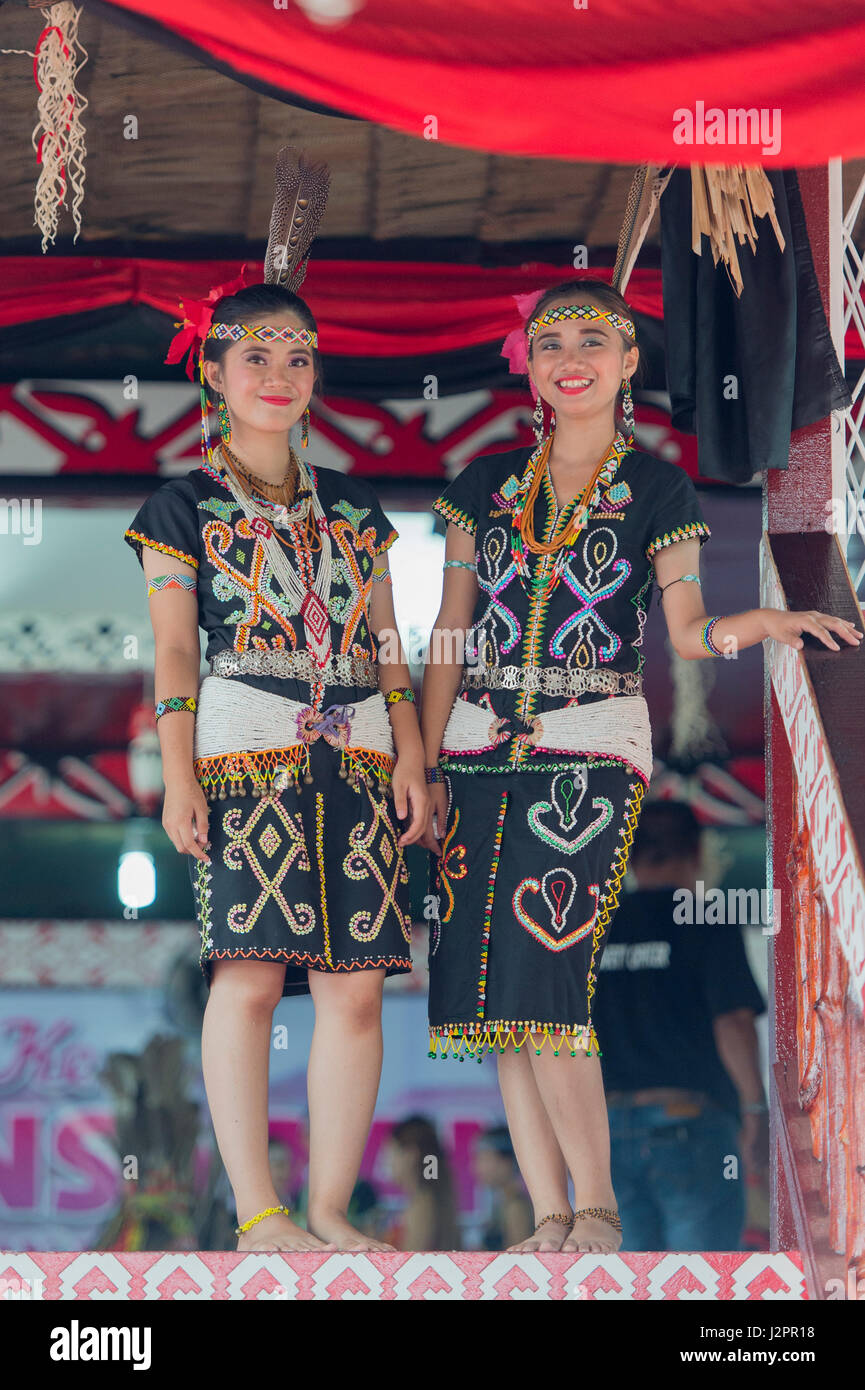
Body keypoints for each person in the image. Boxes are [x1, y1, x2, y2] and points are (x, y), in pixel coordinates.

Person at [419, 276, 862, 1256]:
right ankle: (546, 1213)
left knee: (551, 975)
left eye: (591, 337)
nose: (567, 355)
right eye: (547, 341)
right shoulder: (478, 485)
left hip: (586, 752)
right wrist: (420, 760)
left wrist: (775, 621)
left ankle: (601, 1205)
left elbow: (691, 633)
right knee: (497, 1000)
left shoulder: (655, 487)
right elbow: (448, 635)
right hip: (474, 753)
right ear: (528, 367)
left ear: (628, 362)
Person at [123, 150, 428, 1253]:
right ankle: (259, 1213)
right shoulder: (179, 506)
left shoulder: (356, 505)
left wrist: (411, 755)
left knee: (357, 990)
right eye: (256, 352)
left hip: (357, 747)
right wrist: (174, 770)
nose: (280, 370)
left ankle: (333, 1210)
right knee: (249, 976)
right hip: (244, 740)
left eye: (298, 353)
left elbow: (390, 642)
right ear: (213, 370)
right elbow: (168, 649)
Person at [592, 800, 767, 1251]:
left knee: (628, 1283)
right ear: (697, 851)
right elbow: (732, 1022)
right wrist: (754, 1110)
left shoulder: (594, 928)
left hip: (603, 1131)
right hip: (689, 1123)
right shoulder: (706, 920)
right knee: (700, 1280)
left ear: (627, 855)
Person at [383, 1114, 460, 1250]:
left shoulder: (422, 1204)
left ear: (411, 1154)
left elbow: (410, 1264)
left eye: (391, 1152)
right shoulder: (425, 1200)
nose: (387, 1162)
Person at [472, 1126, 534, 1250]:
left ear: (507, 1162)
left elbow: (517, 1260)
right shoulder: (503, 1203)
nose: (477, 1167)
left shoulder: (516, 1208)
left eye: (484, 1159)